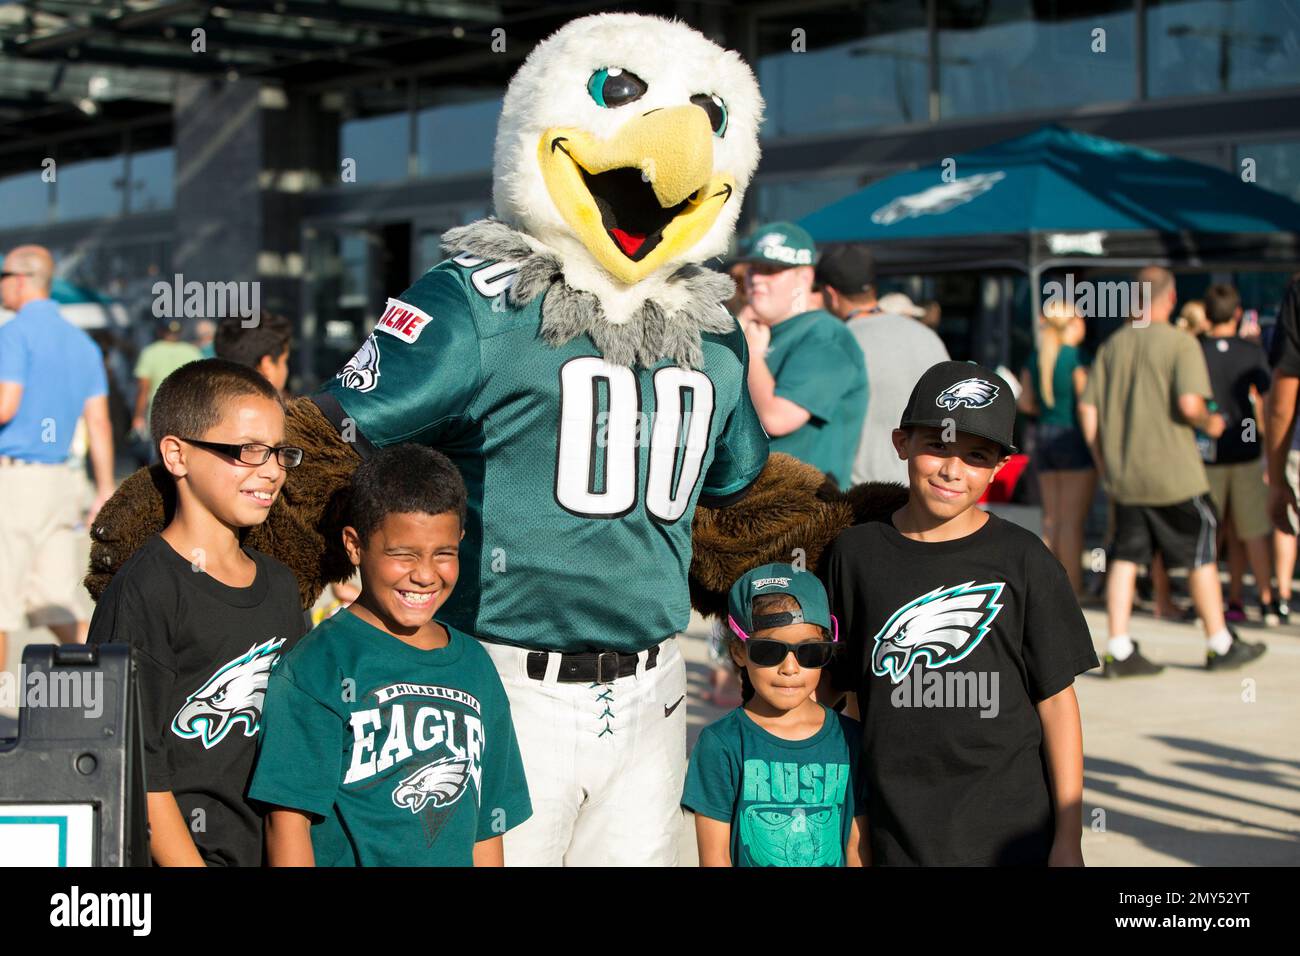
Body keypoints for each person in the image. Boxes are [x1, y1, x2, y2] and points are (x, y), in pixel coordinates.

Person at [818, 360, 1098, 866]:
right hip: (892, 830)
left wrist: (1068, 839)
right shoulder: (856, 554)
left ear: (1000, 468)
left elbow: (1057, 703)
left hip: (1011, 837)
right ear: (901, 443)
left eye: (975, 456)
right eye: (937, 447)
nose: (952, 470)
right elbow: (838, 693)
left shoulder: (1025, 559)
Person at [251, 444, 532, 866]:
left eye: (444, 554)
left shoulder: (476, 666)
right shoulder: (317, 665)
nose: (424, 574)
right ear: (354, 545)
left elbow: (486, 830)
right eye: (403, 555)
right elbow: (287, 823)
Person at [87, 359, 308, 865]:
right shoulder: (146, 590)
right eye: (248, 451)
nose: (272, 470)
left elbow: (295, 747)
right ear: (177, 455)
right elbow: (135, 766)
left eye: (278, 452)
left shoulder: (280, 585)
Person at [1078, 267, 1266, 676]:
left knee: (1126, 558)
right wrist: (1211, 423)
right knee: (1200, 554)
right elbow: (1189, 405)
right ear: (1170, 297)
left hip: (1126, 476)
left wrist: (1104, 462)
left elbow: (1088, 409)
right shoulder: (1180, 343)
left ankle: (1118, 647)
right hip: (1175, 474)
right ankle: (1219, 642)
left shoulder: (1113, 346)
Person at [682, 563, 866, 867]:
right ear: (739, 651)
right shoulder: (721, 743)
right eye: (768, 651)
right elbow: (715, 857)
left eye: (810, 652)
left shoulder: (851, 740)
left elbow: (857, 847)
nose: (790, 668)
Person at [0, 244, 115, 667]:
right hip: (63, 482)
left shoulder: (12, 334)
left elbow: (5, 405)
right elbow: (99, 423)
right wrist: (103, 487)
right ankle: (97, 675)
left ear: (22, 280)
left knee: (2, 600)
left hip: (14, 480)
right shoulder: (81, 344)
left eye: (3, 277)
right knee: (53, 597)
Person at [738, 222, 867, 490]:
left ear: (805, 278)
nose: (757, 279)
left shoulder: (824, 335)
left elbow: (778, 418)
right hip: (750, 509)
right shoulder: (759, 332)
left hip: (803, 515)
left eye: (772, 270)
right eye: (754, 268)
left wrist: (750, 352)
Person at [817, 244, 948, 487]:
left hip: (862, 493)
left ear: (831, 295)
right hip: (924, 489)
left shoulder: (838, 343)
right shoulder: (928, 337)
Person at [1198, 283, 1277, 625]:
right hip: (1244, 450)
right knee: (1252, 530)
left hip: (1207, 453)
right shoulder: (1250, 351)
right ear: (1238, 312)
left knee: (1210, 533)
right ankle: (1267, 599)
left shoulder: (1195, 350)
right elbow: (1268, 398)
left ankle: (1212, 603)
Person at [1017, 300, 1095, 597]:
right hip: (1072, 436)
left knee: (1051, 520)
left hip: (1044, 435)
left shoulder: (1036, 356)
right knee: (1072, 522)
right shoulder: (1075, 357)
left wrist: (1044, 408)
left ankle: (1045, 587)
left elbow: (1025, 403)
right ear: (1072, 322)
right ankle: (1072, 588)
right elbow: (1085, 402)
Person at [132, 318, 202, 440]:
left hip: (158, 415)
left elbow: (143, 388)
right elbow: (201, 386)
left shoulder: (150, 352)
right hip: (189, 414)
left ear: (160, 331)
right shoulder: (192, 351)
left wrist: (138, 416)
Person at [213, 311, 292, 394]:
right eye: (284, 361)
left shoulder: (207, 401)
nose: (286, 370)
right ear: (267, 366)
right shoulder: (273, 405)